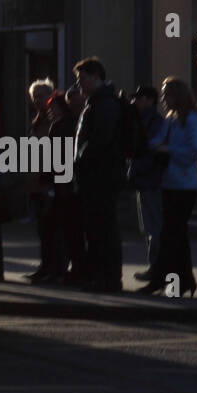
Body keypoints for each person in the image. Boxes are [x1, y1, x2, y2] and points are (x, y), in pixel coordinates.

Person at [137, 77, 197, 297]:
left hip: (184, 185)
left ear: (178, 95)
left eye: (167, 94)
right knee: (177, 236)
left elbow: (196, 150)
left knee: (170, 236)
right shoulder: (171, 118)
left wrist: (169, 150)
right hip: (169, 183)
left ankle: (162, 280)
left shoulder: (191, 120)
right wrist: (149, 145)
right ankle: (185, 281)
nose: (164, 98)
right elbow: (157, 140)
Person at [71, 56, 125, 293]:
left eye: (82, 79)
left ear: (96, 77)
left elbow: (101, 139)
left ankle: (107, 278)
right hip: (97, 175)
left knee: (103, 228)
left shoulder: (105, 104)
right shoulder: (97, 102)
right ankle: (100, 276)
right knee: (96, 228)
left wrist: (81, 158)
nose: (79, 84)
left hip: (101, 176)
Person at [126, 83, 167, 279]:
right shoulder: (141, 120)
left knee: (154, 226)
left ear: (149, 100)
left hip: (151, 180)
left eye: (139, 98)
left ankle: (157, 268)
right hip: (144, 180)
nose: (135, 102)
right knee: (149, 227)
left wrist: (139, 169)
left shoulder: (154, 122)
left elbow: (150, 152)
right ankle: (155, 267)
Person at [47, 84, 85, 283]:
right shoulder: (68, 124)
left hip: (70, 183)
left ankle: (74, 268)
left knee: (72, 229)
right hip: (67, 183)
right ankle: (72, 267)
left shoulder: (65, 125)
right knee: (70, 229)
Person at [25, 78, 57, 282]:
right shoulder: (37, 119)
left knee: (51, 227)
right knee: (43, 228)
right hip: (37, 181)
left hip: (48, 180)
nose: (37, 100)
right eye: (34, 97)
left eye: (41, 96)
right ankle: (45, 266)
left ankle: (53, 268)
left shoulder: (54, 118)